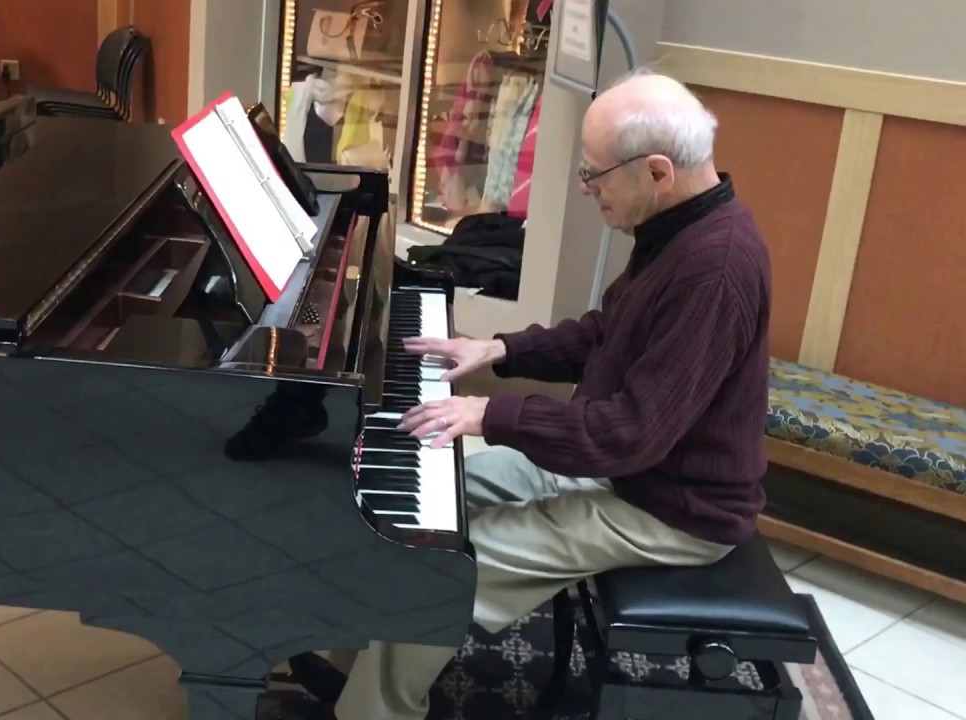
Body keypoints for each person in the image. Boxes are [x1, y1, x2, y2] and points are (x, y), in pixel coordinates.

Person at [308, 68, 774, 720]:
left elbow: (631, 433)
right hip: (628, 472)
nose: (588, 191)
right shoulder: (677, 228)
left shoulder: (715, 269)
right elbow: (606, 333)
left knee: (439, 566)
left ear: (658, 171)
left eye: (596, 176)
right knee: (423, 484)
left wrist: (488, 414)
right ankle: (344, 662)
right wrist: (499, 351)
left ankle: (373, 712)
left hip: (670, 509)